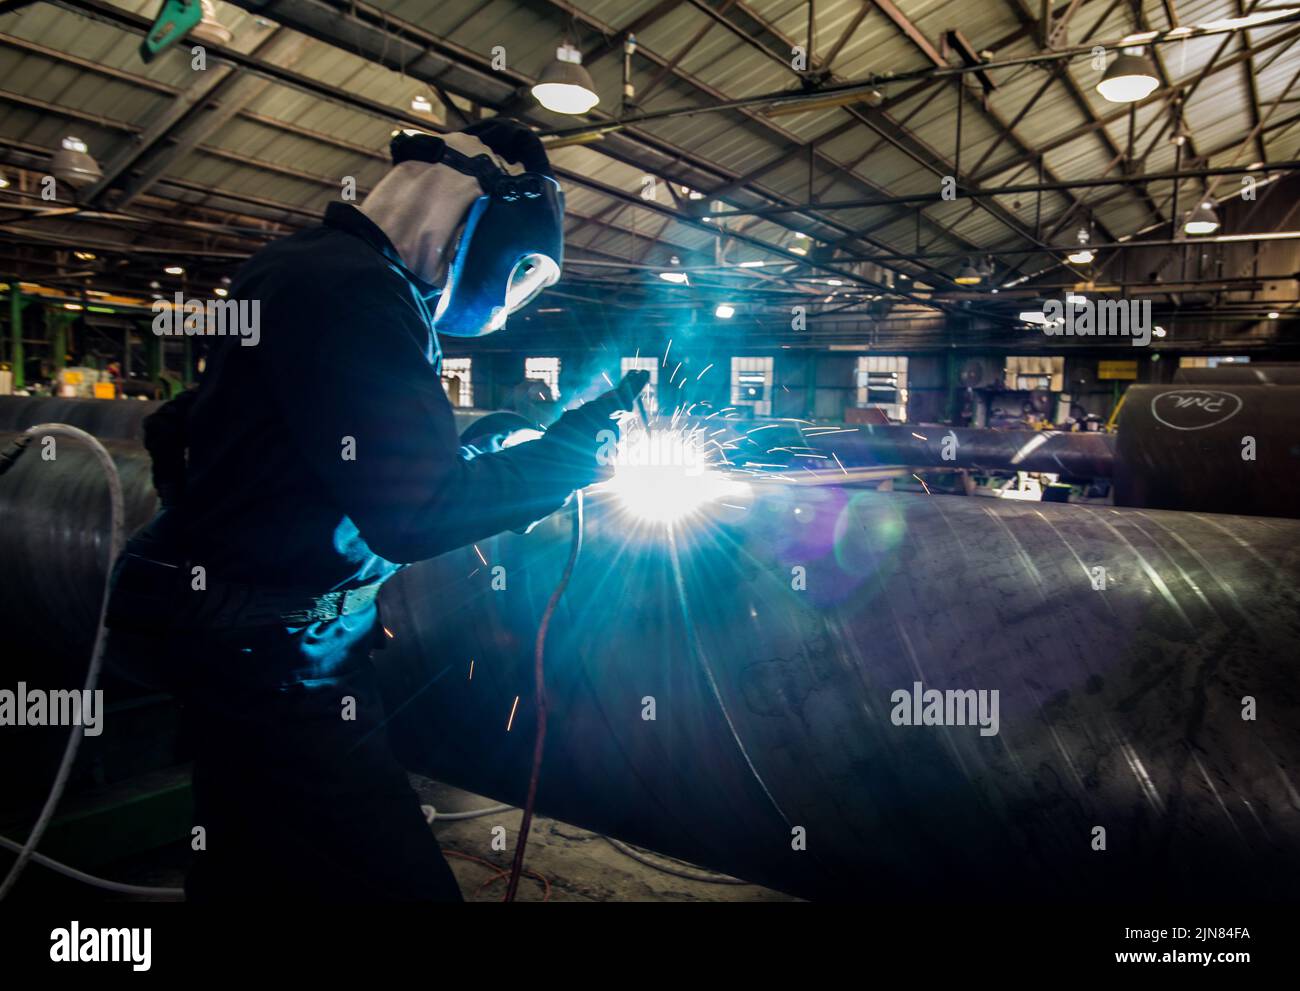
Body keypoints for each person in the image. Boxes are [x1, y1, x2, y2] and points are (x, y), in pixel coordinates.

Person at [106, 119, 644, 901]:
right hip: (279, 659)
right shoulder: (358, 294)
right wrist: (570, 453)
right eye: (520, 270)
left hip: (233, 634)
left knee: (248, 864)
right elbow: (412, 513)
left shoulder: (300, 265)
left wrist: (491, 444)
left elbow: (295, 444)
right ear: (473, 219)